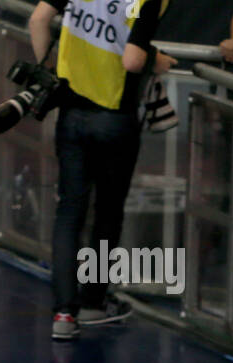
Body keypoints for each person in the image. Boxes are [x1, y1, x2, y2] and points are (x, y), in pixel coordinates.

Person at [28, 0, 176, 340]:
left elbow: (38, 19)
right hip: (114, 117)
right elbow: (134, 59)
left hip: (71, 110)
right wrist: (158, 59)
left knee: (70, 210)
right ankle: (93, 299)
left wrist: (48, 72)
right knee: (108, 211)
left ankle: (64, 313)